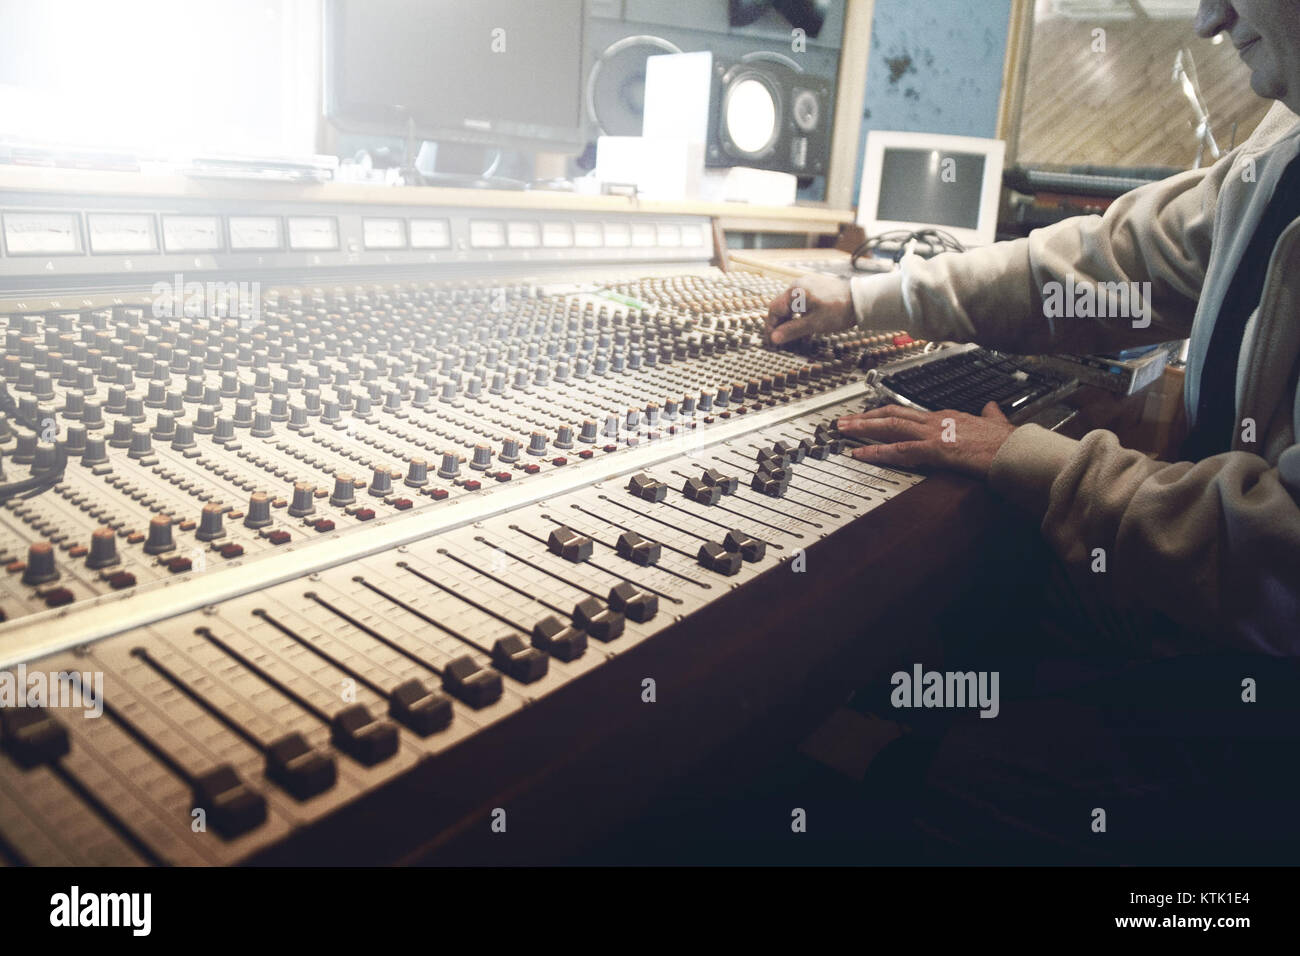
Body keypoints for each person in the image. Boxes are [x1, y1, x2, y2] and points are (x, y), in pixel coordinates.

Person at [766, 0, 1300, 655]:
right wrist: (862, 300)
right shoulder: (1282, 142)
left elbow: (1282, 566)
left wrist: (1025, 457)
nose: (1208, 21)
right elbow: (1100, 269)